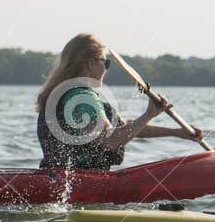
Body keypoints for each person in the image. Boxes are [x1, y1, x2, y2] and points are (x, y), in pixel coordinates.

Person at [34, 33, 202, 170]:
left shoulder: (63, 93)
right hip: (82, 181)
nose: (106, 69)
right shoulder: (83, 97)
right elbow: (110, 141)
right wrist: (148, 114)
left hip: (55, 175)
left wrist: (176, 132)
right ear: (91, 64)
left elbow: (122, 128)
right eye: (105, 62)